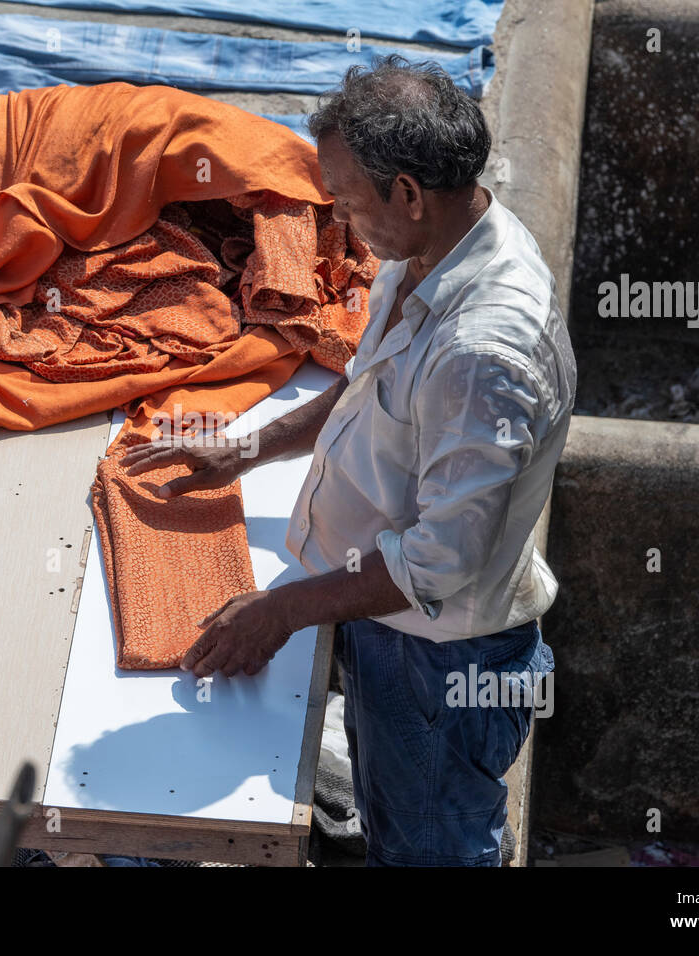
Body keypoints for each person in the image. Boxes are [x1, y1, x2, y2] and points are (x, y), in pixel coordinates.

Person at [121, 55, 577, 866]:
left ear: (407, 192)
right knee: (397, 817)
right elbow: (374, 388)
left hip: (447, 666)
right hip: (389, 629)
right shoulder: (426, 251)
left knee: (431, 847)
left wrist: (282, 610)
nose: (336, 214)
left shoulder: (487, 349)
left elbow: (435, 568)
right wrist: (248, 448)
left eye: (348, 199)